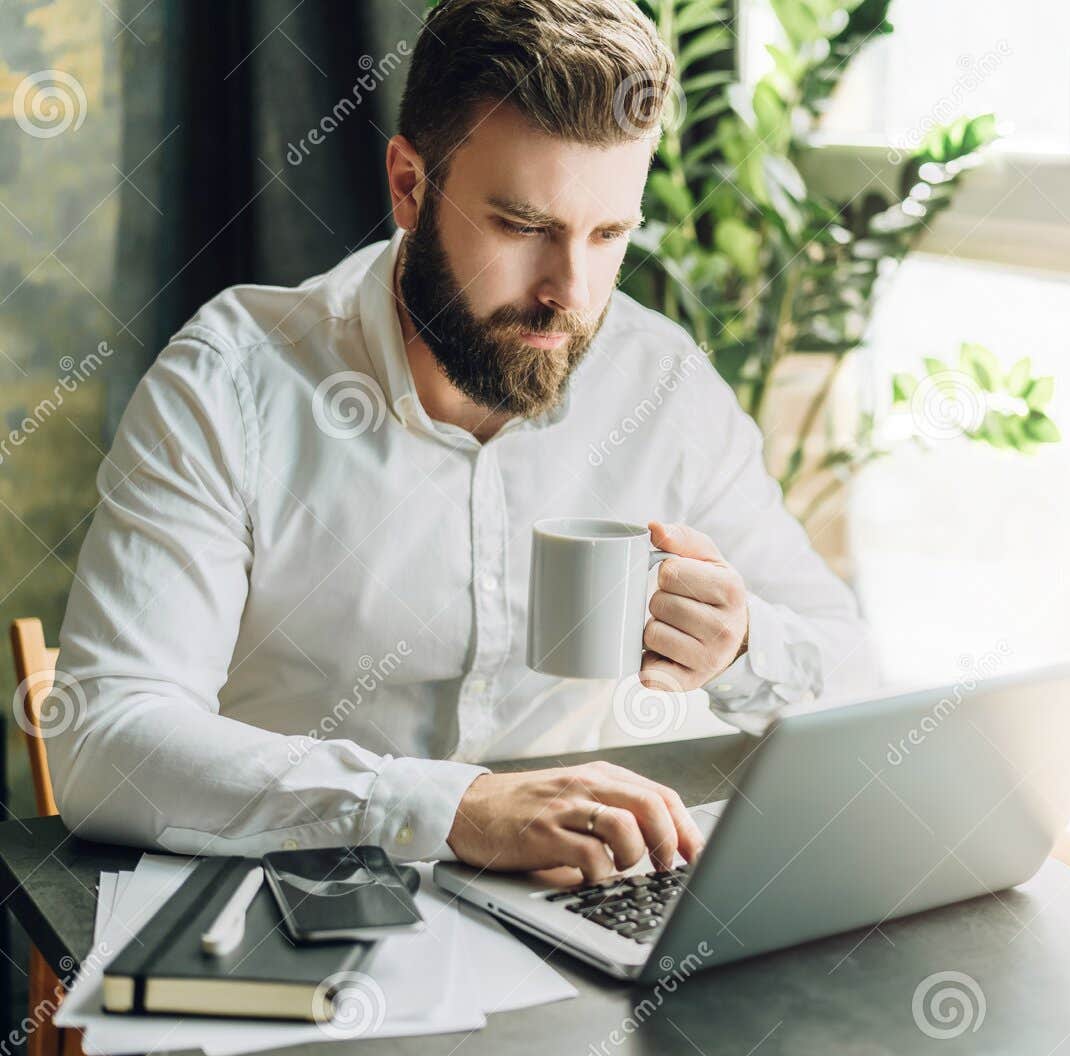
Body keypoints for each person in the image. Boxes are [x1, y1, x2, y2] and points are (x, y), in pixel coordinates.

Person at [47, 0, 878, 879]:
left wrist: (743, 642)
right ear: (408, 185)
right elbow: (108, 745)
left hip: (574, 906)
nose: (572, 291)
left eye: (609, 235)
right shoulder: (231, 385)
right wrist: (452, 807)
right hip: (293, 914)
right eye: (525, 228)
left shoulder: (661, 384)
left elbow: (852, 669)